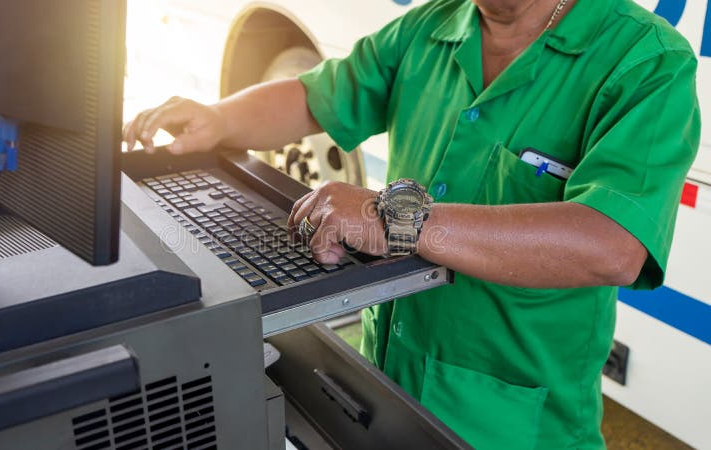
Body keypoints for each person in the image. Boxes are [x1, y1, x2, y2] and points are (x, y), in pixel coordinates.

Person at [124, 0, 701, 447]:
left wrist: (397, 220)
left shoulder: (646, 61)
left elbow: (613, 244)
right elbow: (317, 96)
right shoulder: (433, 26)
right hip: (383, 387)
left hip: (512, 423)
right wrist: (217, 120)